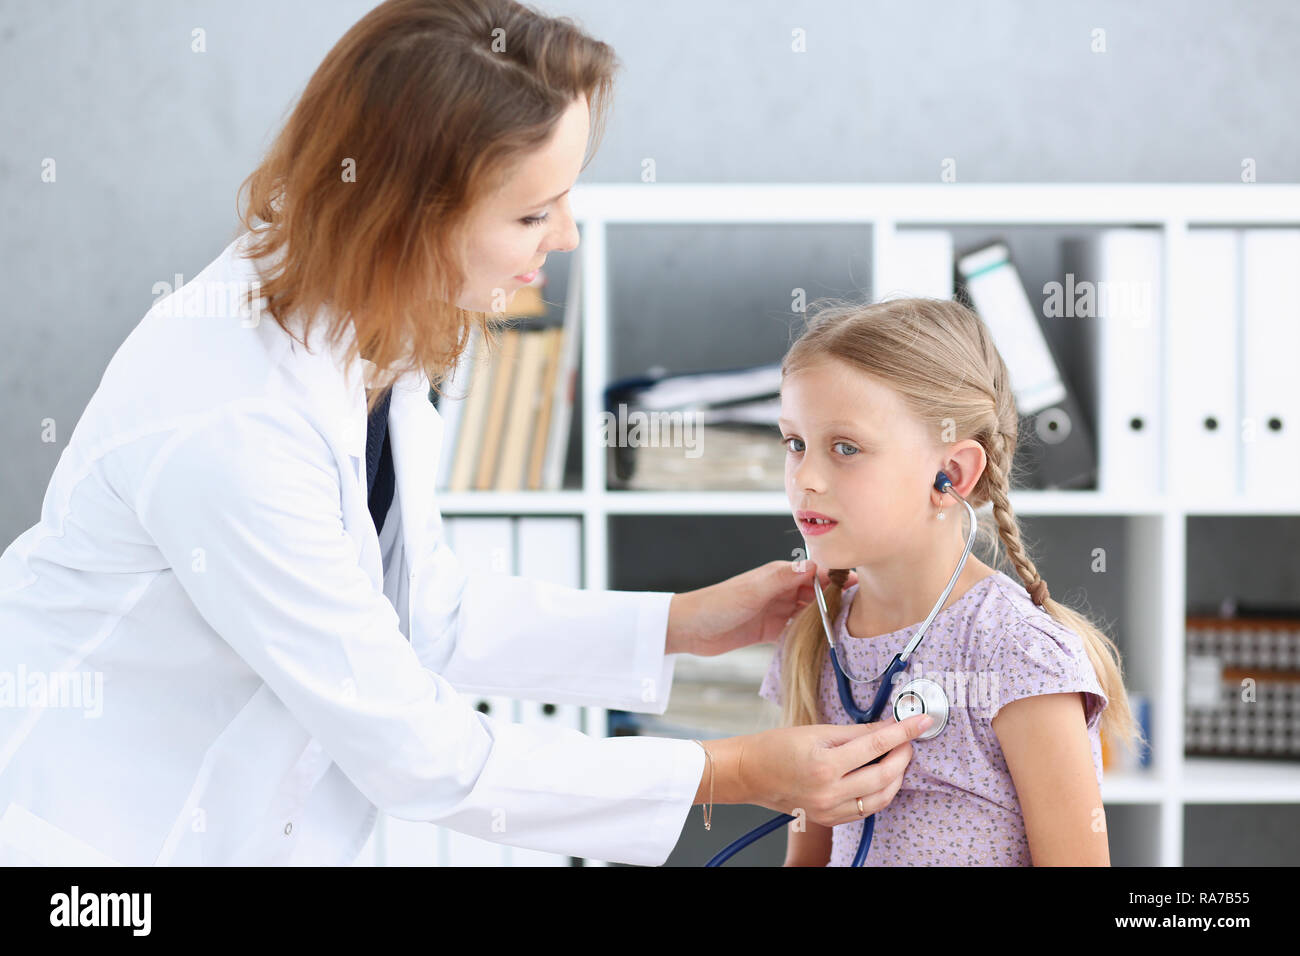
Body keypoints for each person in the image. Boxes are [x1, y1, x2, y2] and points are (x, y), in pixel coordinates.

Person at [0, 0, 931, 867]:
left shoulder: (372, 323)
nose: (565, 236)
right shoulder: (232, 422)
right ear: (405, 219)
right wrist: (728, 773)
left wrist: (684, 625)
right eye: (532, 212)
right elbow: (417, 753)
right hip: (93, 842)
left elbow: (422, 613)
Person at [762, 295, 1148, 866]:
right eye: (795, 444)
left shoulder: (1015, 654)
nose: (806, 479)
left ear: (953, 474)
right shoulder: (816, 643)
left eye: (845, 448)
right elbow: (808, 859)